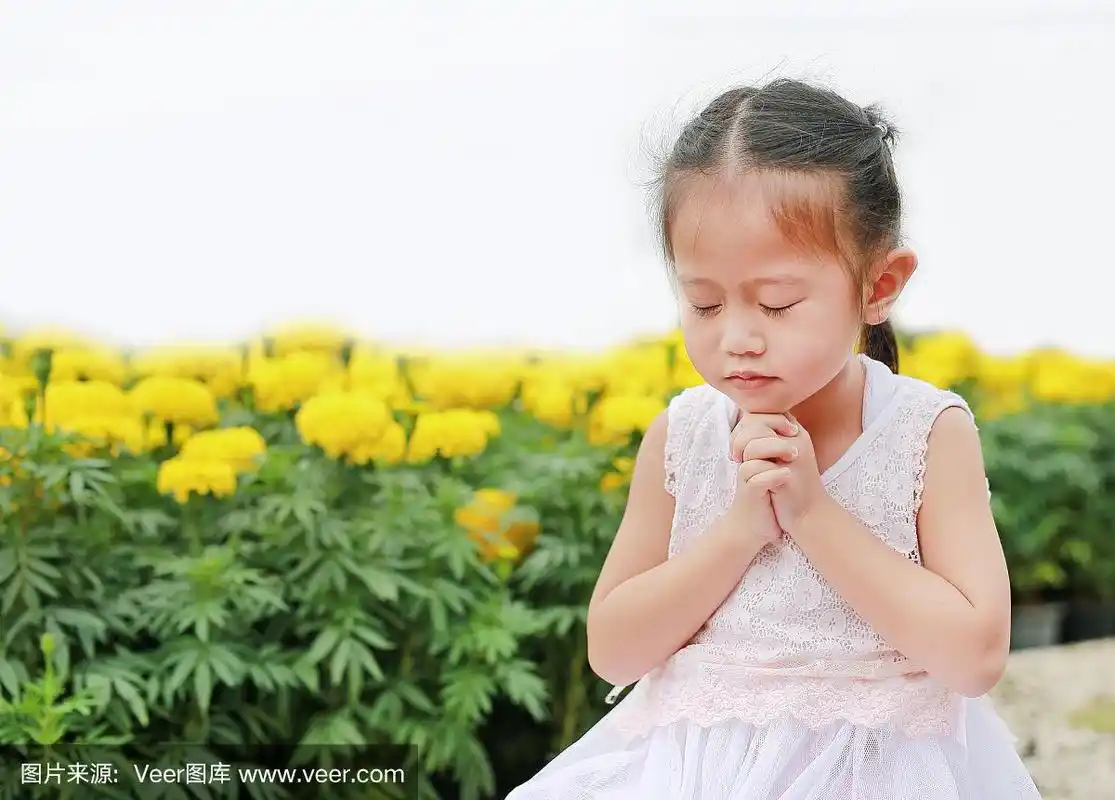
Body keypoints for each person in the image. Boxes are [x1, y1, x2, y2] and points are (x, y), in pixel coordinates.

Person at [506, 78, 1042, 799]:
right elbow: (613, 649)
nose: (736, 339)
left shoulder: (924, 433)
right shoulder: (684, 437)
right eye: (703, 301)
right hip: (694, 773)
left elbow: (974, 656)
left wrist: (812, 514)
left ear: (878, 285)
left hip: (877, 770)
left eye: (776, 303)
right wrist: (736, 531)